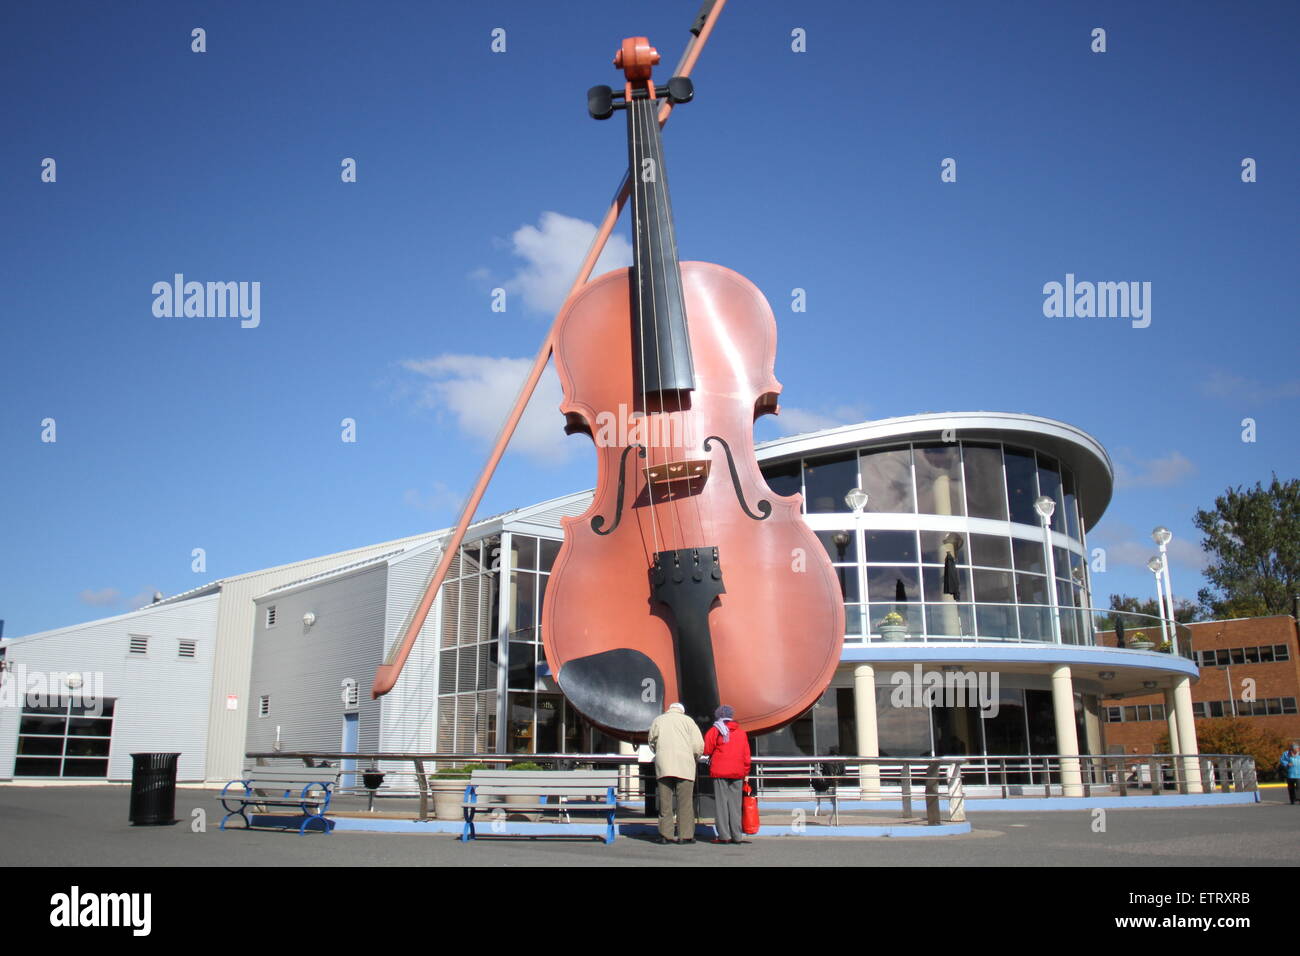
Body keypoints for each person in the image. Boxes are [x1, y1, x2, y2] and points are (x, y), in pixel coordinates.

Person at [646, 702, 704, 844]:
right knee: (685, 803)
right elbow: (698, 745)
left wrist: (659, 753)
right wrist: (694, 756)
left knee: (665, 802)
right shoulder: (688, 721)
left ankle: (666, 835)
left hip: (664, 765)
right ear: (681, 711)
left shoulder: (658, 720)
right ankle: (685, 835)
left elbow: (651, 741)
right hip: (685, 766)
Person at [703, 704, 751, 844]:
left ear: (718, 716)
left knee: (721, 804)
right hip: (737, 772)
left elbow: (707, 749)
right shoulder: (741, 733)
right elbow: (746, 756)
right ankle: (737, 835)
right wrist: (745, 771)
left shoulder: (715, 730)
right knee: (735, 805)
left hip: (720, 771)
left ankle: (724, 835)